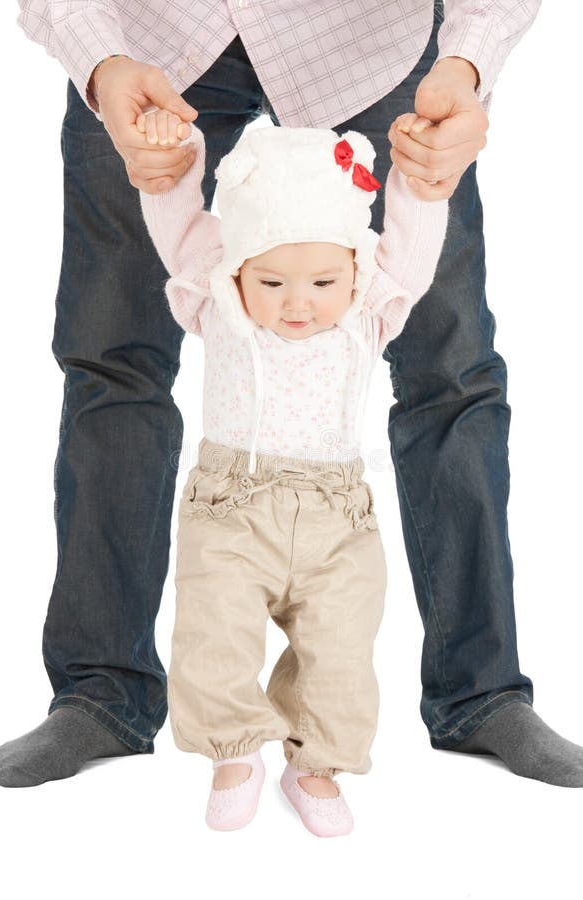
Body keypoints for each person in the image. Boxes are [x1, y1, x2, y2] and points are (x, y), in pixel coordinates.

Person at [0, 0, 583, 792]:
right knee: (111, 358)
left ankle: (481, 691)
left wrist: (467, 64)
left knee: (452, 367)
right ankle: (100, 692)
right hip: (151, 37)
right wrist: (100, 62)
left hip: (370, 37)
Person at [135, 109, 448, 834]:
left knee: (340, 655)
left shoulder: (371, 310)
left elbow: (413, 230)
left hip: (338, 520)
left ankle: (316, 764)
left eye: (321, 281)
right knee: (213, 638)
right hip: (229, 509)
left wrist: (424, 175)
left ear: (356, 272)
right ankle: (236, 752)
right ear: (238, 270)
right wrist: (170, 158)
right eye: (272, 282)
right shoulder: (220, 303)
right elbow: (182, 226)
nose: (297, 302)